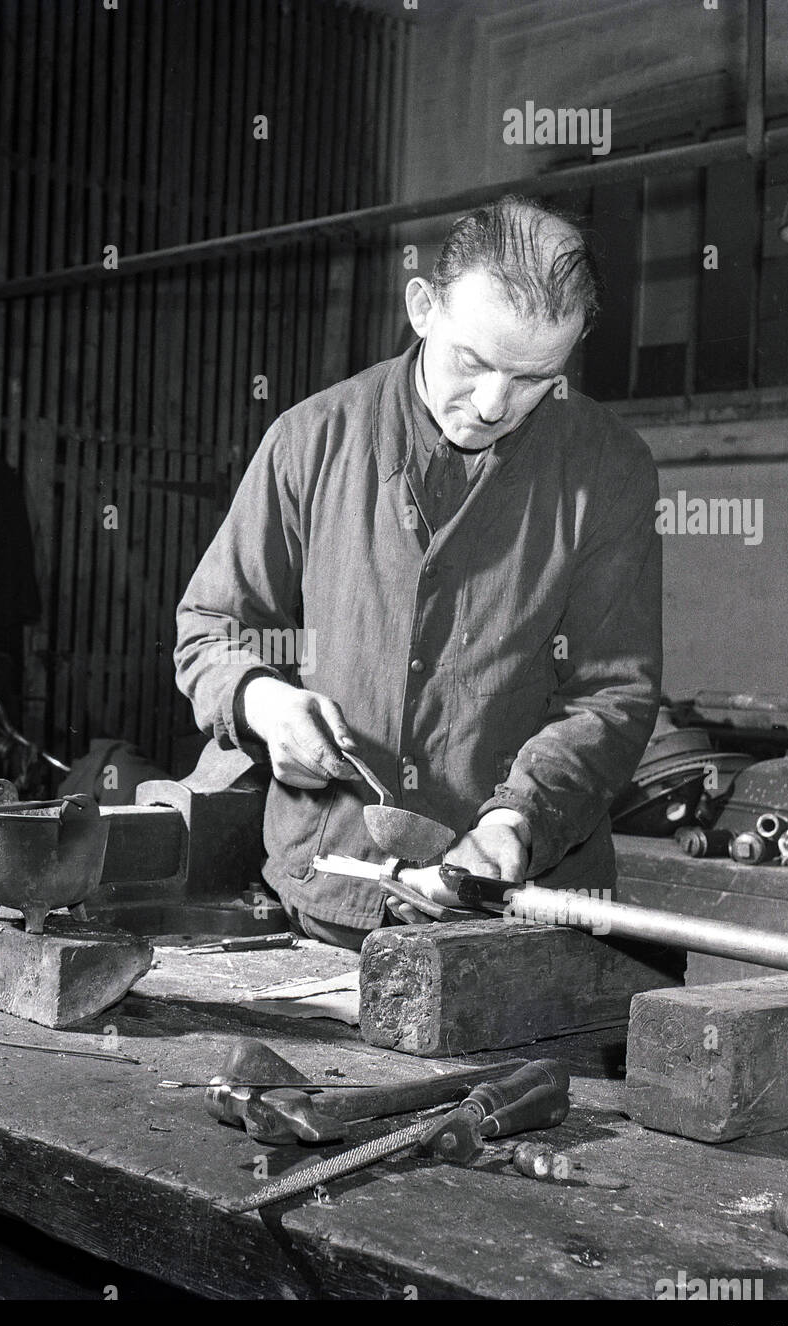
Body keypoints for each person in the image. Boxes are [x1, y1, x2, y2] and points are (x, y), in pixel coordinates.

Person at [174, 196, 662, 949]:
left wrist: (514, 823)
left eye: (534, 377)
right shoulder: (311, 439)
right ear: (422, 307)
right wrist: (262, 703)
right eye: (473, 362)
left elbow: (611, 693)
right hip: (328, 889)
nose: (493, 405)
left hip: (518, 915)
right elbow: (212, 629)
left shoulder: (610, 471)